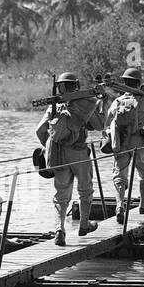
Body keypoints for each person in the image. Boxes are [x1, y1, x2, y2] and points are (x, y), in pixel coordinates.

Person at [36, 71, 104, 246]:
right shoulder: (86, 103)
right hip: (79, 152)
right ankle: (83, 225)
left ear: (59, 87)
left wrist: (50, 147)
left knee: (61, 194)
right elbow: (100, 125)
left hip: (58, 155)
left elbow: (40, 130)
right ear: (77, 85)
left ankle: (60, 229)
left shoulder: (54, 106)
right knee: (85, 189)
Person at [107, 67, 144, 219]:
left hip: (120, 141)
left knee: (120, 176)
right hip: (138, 140)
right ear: (139, 83)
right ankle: (143, 204)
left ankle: (120, 206)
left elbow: (107, 122)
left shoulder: (118, 101)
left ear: (124, 82)